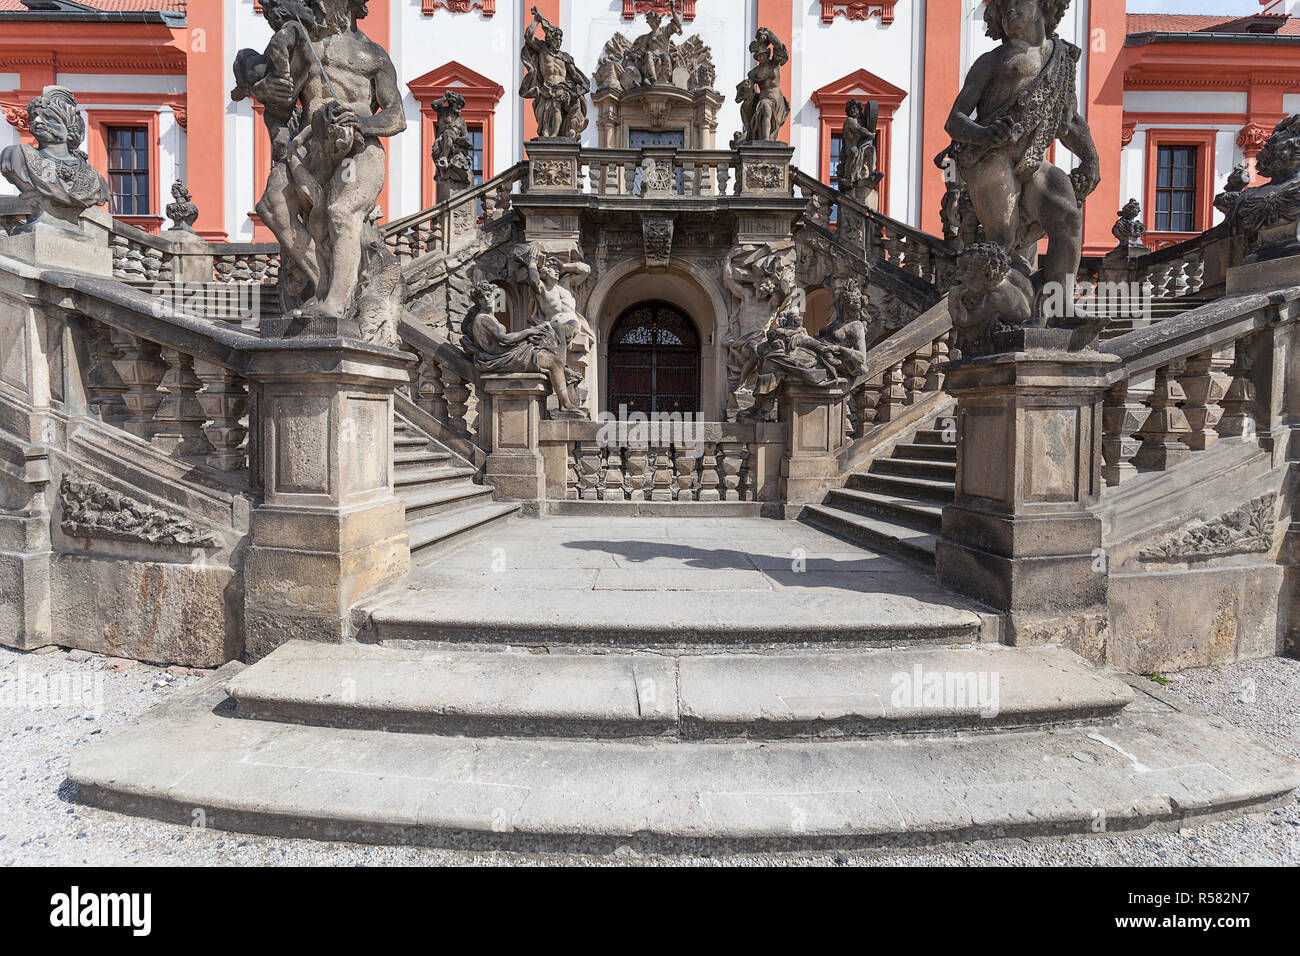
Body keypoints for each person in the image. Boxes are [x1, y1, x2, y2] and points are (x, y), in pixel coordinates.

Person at [944, 0, 1099, 296]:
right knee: (1002, 238)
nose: (1009, 10)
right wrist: (983, 133)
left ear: (1045, 6)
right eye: (1004, 7)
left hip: (1031, 160)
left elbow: (1069, 121)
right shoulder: (992, 61)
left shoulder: (1061, 60)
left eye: (1017, 1)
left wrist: (1090, 158)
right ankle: (999, 313)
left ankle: (1061, 304)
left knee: (1068, 216)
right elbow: (954, 121)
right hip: (990, 157)